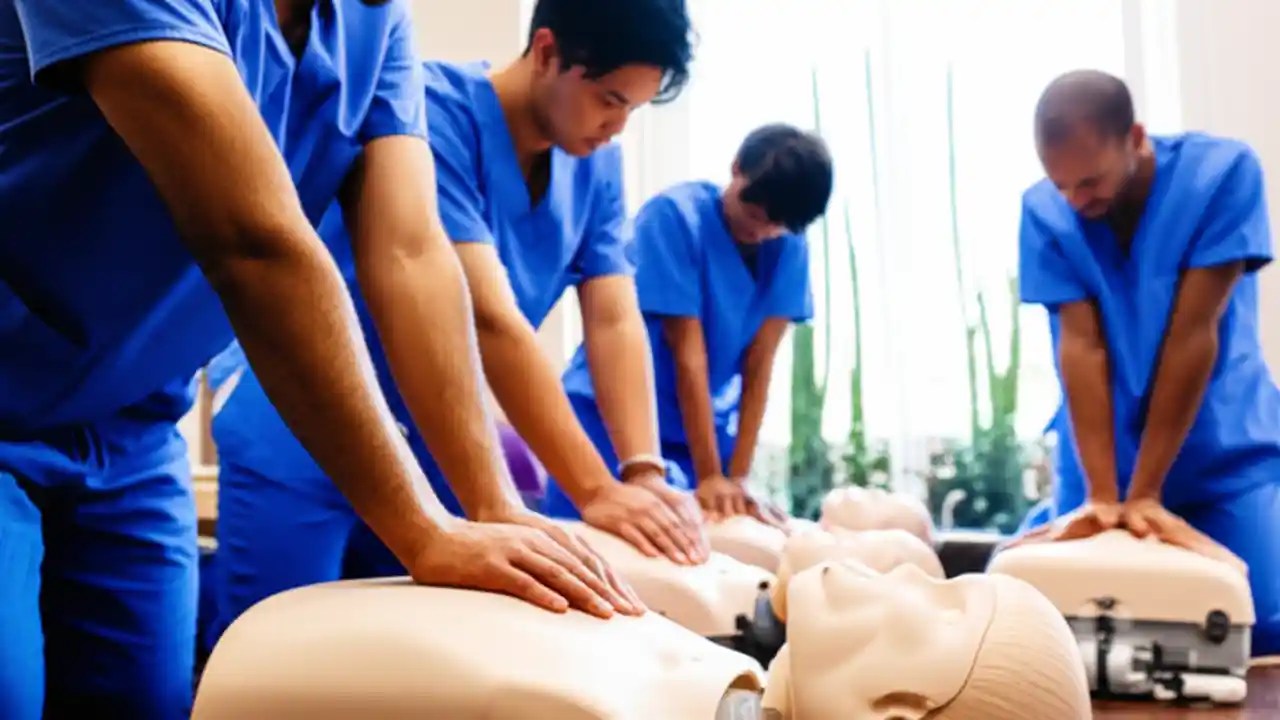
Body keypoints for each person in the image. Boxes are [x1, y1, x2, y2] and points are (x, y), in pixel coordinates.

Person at [0, 1, 625, 717]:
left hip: (134, 429)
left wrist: (490, 505)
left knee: (145, 699)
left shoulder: (374, 25)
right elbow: (253, 242)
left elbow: (412, 252)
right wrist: (423, 528)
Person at [209, 0, 706, 645]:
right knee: (277, 663)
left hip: (433, 444)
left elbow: (614, 318)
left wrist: (641, 471)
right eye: (610, 99)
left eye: (634, 109)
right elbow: (488, 318)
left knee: (421, 667)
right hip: (303, 427)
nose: (618, 126)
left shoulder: (595, 163)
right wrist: (593, 488)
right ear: (548, 52)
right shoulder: (432, 106)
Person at [1013, 69, 1280, 655]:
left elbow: (1193, 336)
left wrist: (1149, 495)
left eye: (1090, 181)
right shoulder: (1045, 210)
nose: (1076, 202)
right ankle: (1057, 505)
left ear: (1135, 137)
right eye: (1062, 187)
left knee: (1258, 620)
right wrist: (1105, 500)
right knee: (1038, 619)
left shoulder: (1223, 175)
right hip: (1101, 456)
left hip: (1221, 449)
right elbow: (1080, 348)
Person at [548, 124, 833, 527]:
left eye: (775, 227)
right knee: (596, 542)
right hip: (609, 415)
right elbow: (688, 356)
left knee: (705, 532)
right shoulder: (675, 217)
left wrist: (736, 478)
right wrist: (710, 476)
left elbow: (760, 364)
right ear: (736, 169)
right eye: (752, 213)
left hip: (697, 429)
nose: (760, 231)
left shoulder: (788, 246)